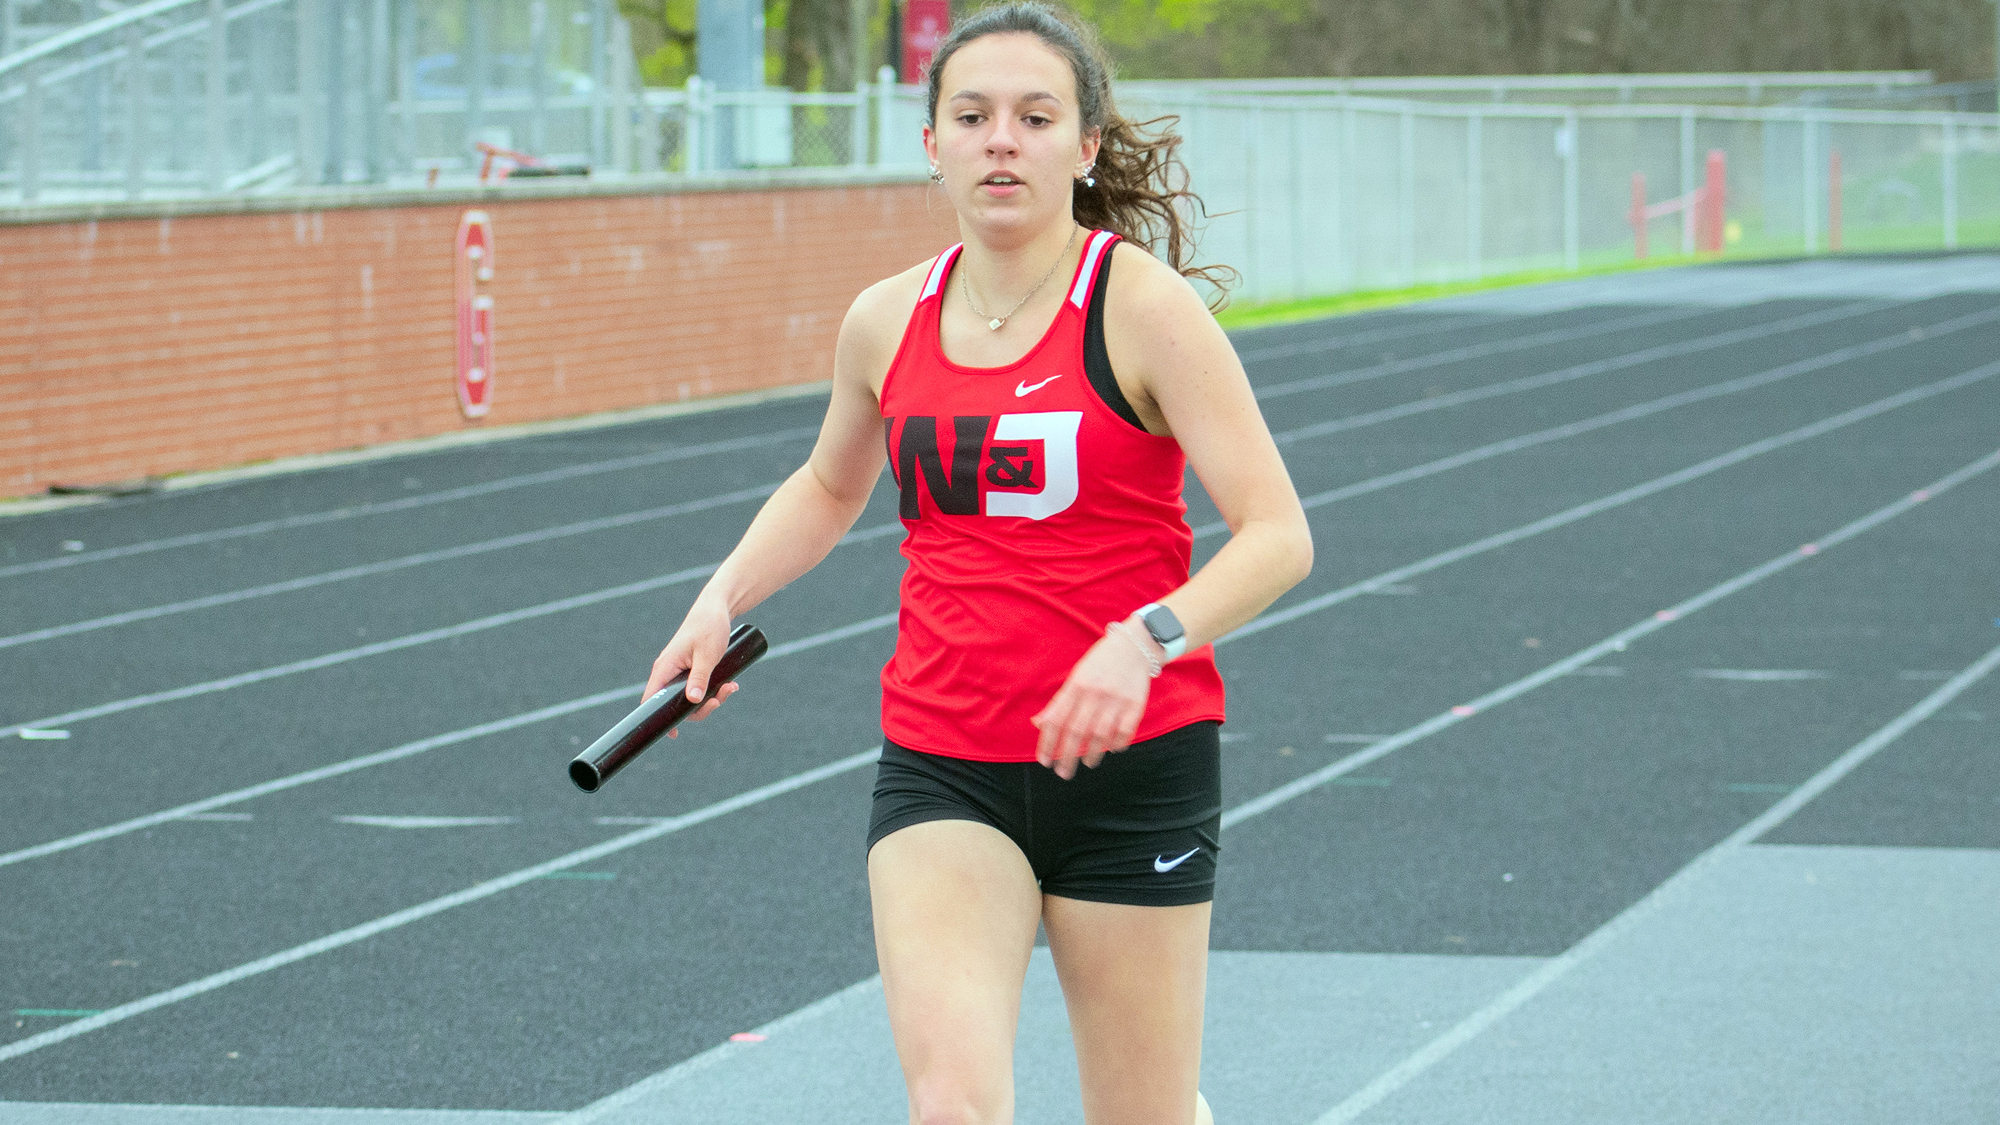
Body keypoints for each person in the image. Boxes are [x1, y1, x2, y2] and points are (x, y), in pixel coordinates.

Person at [645, 4, 1312, 1121]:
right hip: (943, 757)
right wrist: (720, 599)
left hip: (1129, 762)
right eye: (972, 114)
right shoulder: (882, 320)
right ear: (931, 144)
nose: (1001, 138)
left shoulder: (1140, 309)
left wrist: (1144, 642)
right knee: (950, 1106)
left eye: (1034, 115)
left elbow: (1278, 534)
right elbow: (827, 487)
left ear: (1084, 147)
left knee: (1138, 1114)